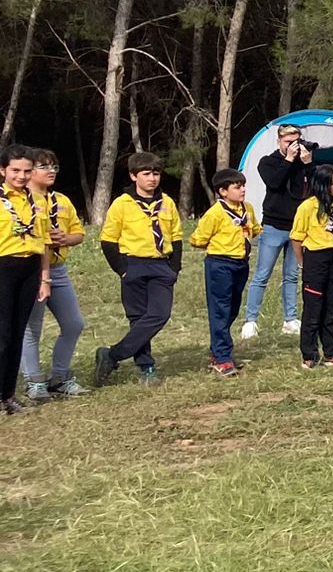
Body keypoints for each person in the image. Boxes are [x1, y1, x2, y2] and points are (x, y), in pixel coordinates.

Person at [93, 152, 182, 389]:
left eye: (156, 173)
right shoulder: (122, 204)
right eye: (146, 174)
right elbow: (108, 240)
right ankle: (146, 366)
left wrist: (174, 268)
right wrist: (123, 270)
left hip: (161, 265)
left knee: (159, 314)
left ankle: (112, 355)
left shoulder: (167, 202)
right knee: (138, 318)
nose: (152, 179)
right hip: (133, 264)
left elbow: (177, 236)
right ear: (134, 176)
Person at [19, 149, 86, 405]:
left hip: (58, 269)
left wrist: (66, 238)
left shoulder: (62, 201)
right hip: (31, 269)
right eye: (44, 167)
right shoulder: (22, 201)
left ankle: (59, 377)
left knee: (74, 323)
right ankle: (34, 381)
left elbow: (79, 233)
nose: (51, 172)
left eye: (54, 167)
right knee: (31, 328)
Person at [241, 120, 312, 341]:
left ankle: (290, 319)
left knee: (291, 276)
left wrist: (308, 164)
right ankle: (250, 321)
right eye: (288, 141)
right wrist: (289, 160)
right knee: (262, 275)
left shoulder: (303, 161)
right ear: (279, 141)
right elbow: (275, 183)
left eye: (296, 141)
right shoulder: (268, 162)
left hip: (297, 228)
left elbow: (313, 185)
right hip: (273, 225)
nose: (293, 145)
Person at [188, 169, 259, 377]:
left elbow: (254, 229)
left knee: (232, 309)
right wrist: (221, 247)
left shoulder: (248, 209)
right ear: (223, 191)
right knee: (220, 309)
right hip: (220, 264)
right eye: (237, 187)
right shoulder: (215, 213)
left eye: (243, 185)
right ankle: (222, 358)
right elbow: (197, 239)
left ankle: (218, 349)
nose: (243, 190)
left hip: (241, 263)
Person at [0, 146, 51, 416]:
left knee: (18, 333)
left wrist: (45, 278)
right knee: (3, 334)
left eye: (27, 171)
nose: (21, 176)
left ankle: (8, 396)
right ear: (3, 171)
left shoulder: (37, 200)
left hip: (30, 268)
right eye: (15, 170)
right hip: (3, 266)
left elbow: (42, 243)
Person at [288, 164, 333, 367]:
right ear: (321, 184)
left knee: (330, 308)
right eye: (332, 183)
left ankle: (332, 352)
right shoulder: (307, 207)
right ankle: (309, 355)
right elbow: (296, 238)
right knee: (313, 309)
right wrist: (303, 263)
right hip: (315, 258)